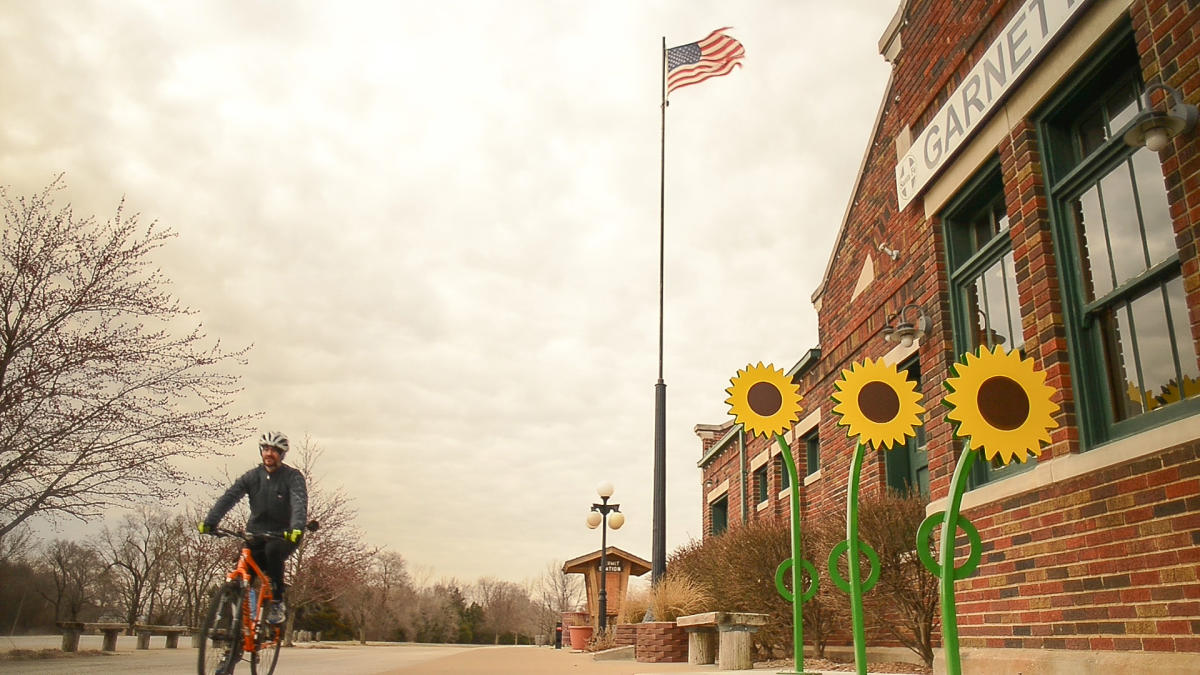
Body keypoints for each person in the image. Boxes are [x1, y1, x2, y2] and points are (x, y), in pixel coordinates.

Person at [199, 431, 308, 624]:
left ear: (282, 454)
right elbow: (229, 497)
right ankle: (238, 627)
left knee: (272, 551)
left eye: (274, 450)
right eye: (266, 449)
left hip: (285, 535)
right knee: (243, 567)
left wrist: (297, 527)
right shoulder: (252, 477)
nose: (269, 453)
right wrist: (210, 521)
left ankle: (276, 602)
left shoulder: (292, 477)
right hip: (256, 533)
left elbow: (299, 503)